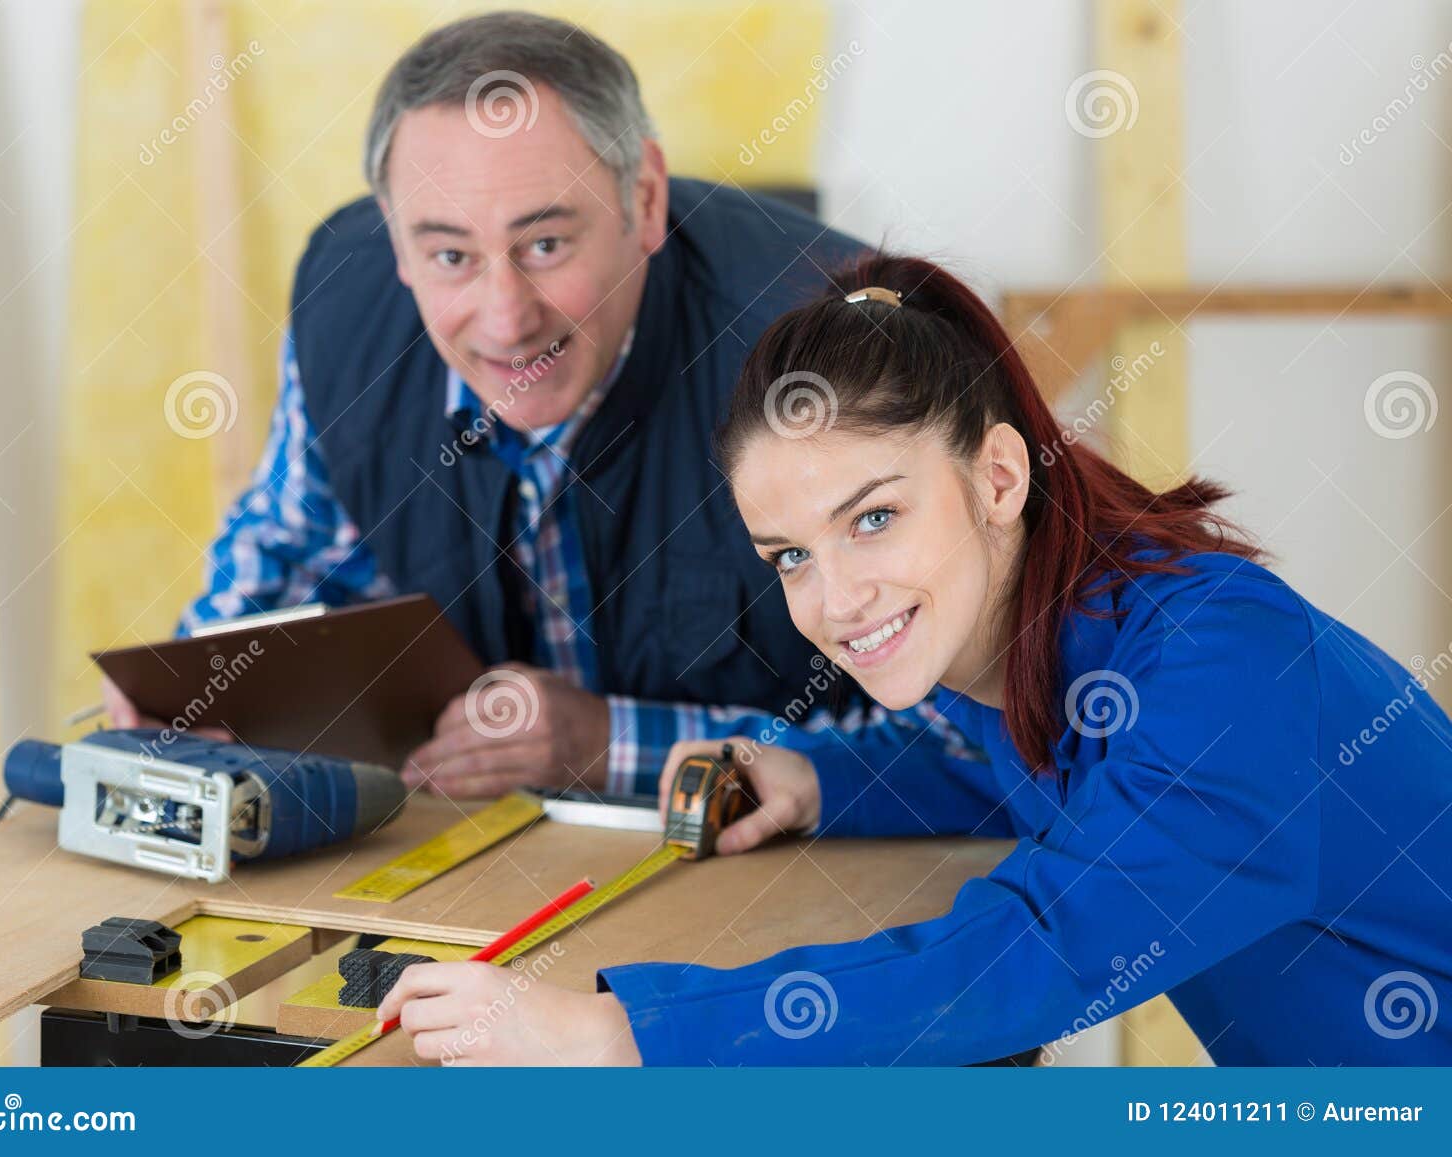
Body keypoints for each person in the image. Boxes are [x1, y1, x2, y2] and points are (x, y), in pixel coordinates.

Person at [377, 253, 1452, 1066]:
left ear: (994, 477)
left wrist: (621, 1030)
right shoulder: (1052, 632)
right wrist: (818, 776)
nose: (835, 598)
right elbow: (1035, 761)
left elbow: (1038, 946)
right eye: (790, 553)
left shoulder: (1223, 658)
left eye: (875, 516)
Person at [102, 11, 975, 798]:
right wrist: (188, 699)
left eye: (546, 243)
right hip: (490, 859)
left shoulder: (828, 346)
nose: (505, 315)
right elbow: (294, 554)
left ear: (643, 201)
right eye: (449, 255)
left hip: (803, 872)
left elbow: (967, 742)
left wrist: (609, 744)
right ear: (397, 240)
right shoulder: (346, 299)